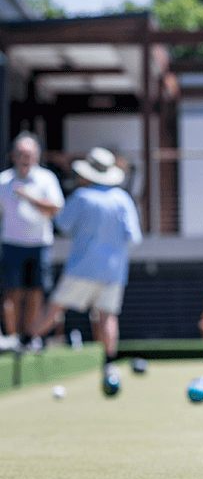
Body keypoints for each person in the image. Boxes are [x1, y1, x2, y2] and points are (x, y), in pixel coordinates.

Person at [28, 147, 141, 375]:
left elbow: (62, 224)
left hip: (83, 266)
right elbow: (133, 236)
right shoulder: (122, 198)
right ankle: (109, 364)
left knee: (55, 306)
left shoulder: (82, 197)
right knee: (108, 315)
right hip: (114, 269)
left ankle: (28, 342)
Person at [0, 132, 64, 351]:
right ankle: (12, 339)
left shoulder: (47, 179)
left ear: (36, 155)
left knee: (35, 292)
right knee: (11, 292)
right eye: (20, 154)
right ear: (13, 156)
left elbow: (54, 209)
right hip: (11, 244)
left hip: (39, 245)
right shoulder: (3, 181)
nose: (24, 158)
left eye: (28, 154)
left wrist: (29, 197)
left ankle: (28, 338)